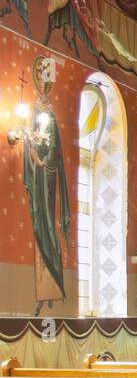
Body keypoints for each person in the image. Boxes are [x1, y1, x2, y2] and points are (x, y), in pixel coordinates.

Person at [20, 58, 72, 316]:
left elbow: (56, 152)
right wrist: (31, 152)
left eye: (45, 76)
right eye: (39, 75)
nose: (42, 80)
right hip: (37, 173)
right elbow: (28, 141)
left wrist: (44, 160)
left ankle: (53, 285)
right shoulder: (33, 110)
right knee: (39, 222)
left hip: (48, 174)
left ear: (49, 81)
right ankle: (44, 289)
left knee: (49, 224)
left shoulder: (50, 113)